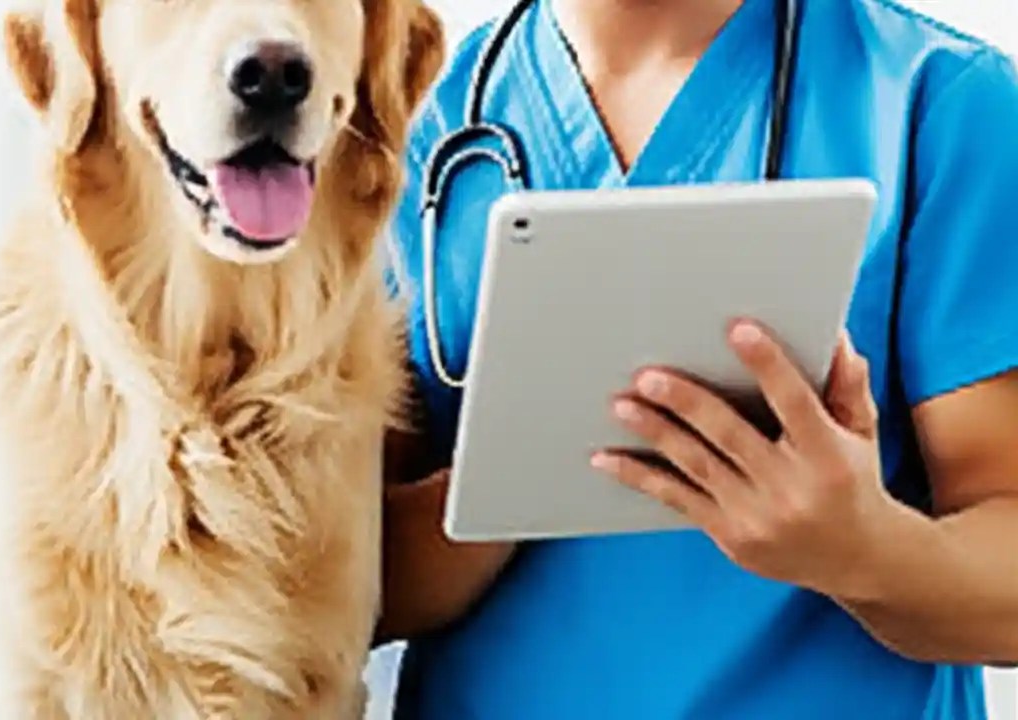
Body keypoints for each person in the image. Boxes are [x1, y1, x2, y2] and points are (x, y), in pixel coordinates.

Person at [377, 0, 1018, 717]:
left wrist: (865, 552)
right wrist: (499, 488)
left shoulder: (939, 103)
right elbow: (327, 584)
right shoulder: (405, 128)